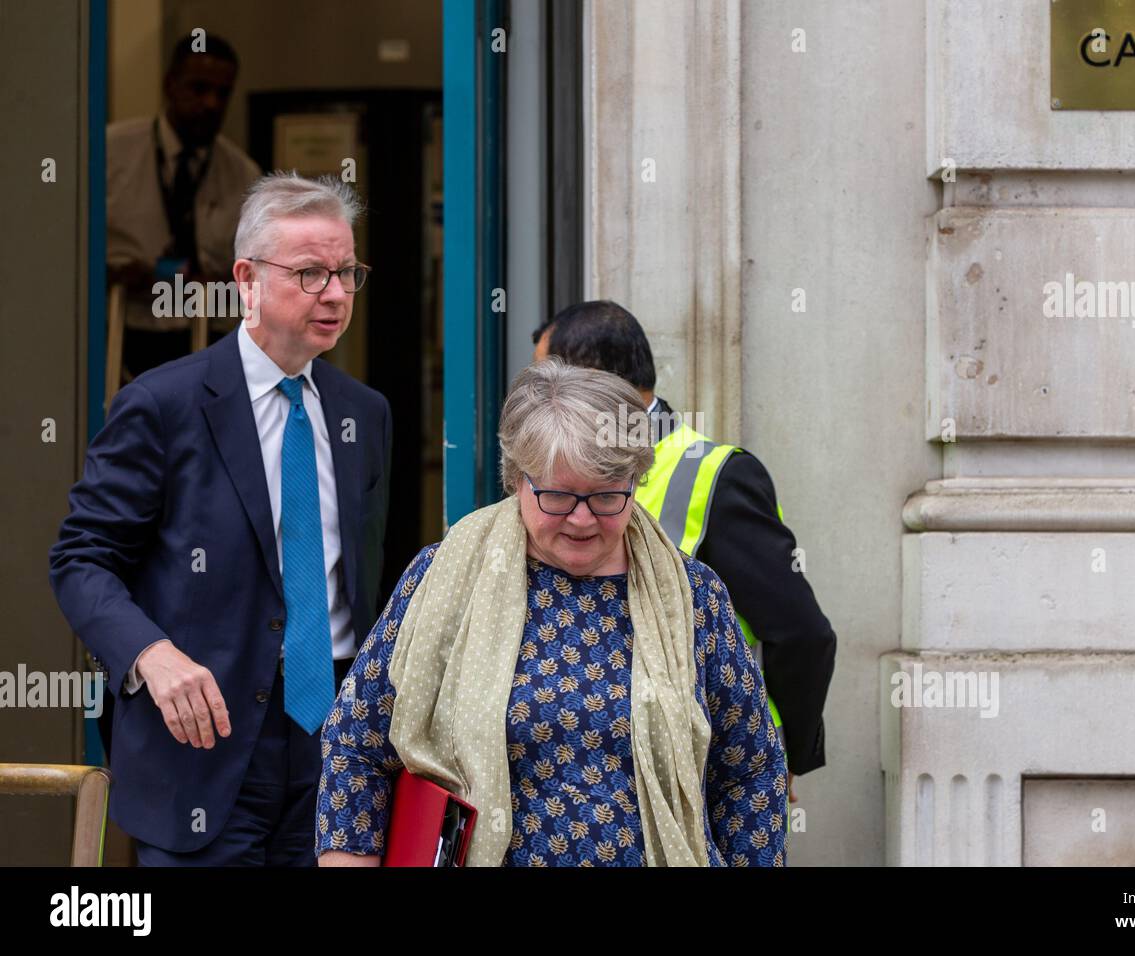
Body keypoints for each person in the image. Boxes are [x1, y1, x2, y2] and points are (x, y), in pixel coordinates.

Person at [317, 359, 786, 866]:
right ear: (518, 479)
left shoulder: (694, 597)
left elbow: (750, 772)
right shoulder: (444, 577)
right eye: (559, 496)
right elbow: (355, 749)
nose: (583, 519)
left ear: (635, 481)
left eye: (607, 495)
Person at [50, 173, 390, 865]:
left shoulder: (364, 414)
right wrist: (151, 655)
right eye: (310, 273)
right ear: (247, 278)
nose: (335, 293)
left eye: (347, 271)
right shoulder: (164, 404)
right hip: (202, 747)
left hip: (330, 748)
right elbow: (81, 560)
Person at [532, 301, 836, 804]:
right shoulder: (545, 478)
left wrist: (781, 756)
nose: (537, 401)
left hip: (704, 775)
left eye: (545, 382)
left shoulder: (716, 474)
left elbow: (802, 634)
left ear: (591, 381)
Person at [107, 33, 261, 378]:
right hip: (122, 331)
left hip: (207, 336)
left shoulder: (242, 174)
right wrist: (112, 272)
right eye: (199, 89)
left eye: (223, 94)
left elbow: (260, 274)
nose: (211, 104)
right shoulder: (110, 154)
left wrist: (221, 280)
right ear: (169, 85)